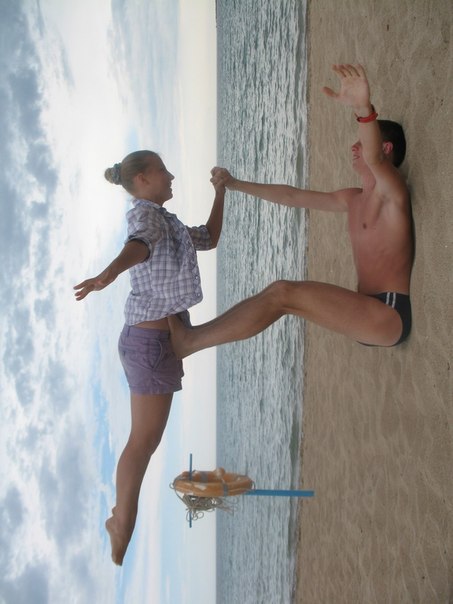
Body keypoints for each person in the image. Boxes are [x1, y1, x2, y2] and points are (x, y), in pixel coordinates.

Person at [168, 63, 413, 359]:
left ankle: (189, 342)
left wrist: (364, 109)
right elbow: (291, 196)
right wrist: (234, 184)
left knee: (282, 293)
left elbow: (373, 158)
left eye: (361, 142)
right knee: (279, 294)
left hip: (388, 313)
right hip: (363, 310)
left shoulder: (392, 193)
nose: (354, 146)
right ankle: (191, 336)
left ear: (385, 148)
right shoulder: (352, 199)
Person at [74, 150, 224, 565]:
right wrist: (110, 272)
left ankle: (121, 520)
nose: (171, 175)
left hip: (154, 341)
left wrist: (221, 192)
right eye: (162, 170)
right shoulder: (146, 217)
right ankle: (121, 522)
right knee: (143, 442)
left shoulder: (168, 222)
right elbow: (139, 245)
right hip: (149, 344)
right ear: (142, 179)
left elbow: (209, 237)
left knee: (146, 441)